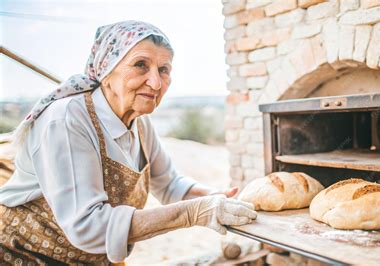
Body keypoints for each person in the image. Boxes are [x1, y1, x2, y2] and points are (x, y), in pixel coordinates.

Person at [0, 20, 257, 265]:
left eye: (164, 70)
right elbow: (87, 227)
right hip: (21, 254)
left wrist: (215, 198)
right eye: (140, 65)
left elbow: (169, 184)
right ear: (107, 72)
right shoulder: (67, 119)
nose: (155, 82)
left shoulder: (140, 124)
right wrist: (193, 212)